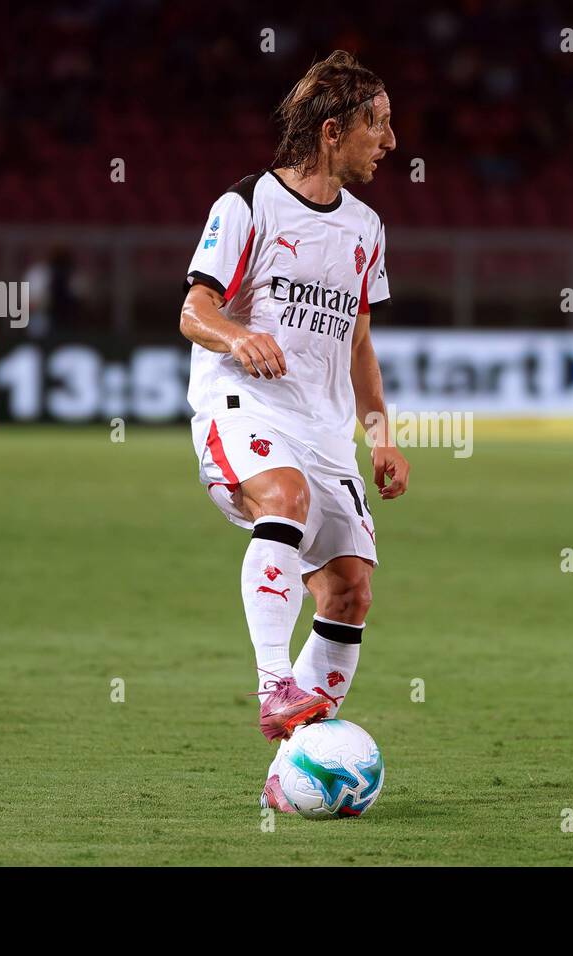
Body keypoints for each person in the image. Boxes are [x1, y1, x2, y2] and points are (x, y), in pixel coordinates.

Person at [177, 51, 408, 812]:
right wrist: (236, 338)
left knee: (350, 591)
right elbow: (194, 311)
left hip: (324, 427)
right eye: (378, 124)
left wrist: (379, 434)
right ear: (332, 130)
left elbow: (360, 342)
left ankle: (296, 766)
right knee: (286, 495)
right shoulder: (248, 205)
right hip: (242, 404)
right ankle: (275, 682)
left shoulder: (366, 229)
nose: (393, 140)